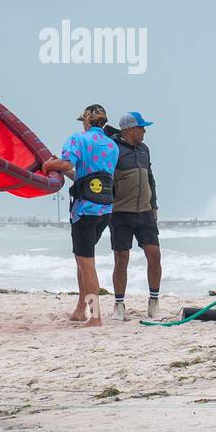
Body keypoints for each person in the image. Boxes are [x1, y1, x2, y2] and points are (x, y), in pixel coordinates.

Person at [42, 104, 119, 326]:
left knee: (86, 264)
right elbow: (89, 178)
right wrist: (65, 170)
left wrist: (49, 164)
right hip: (105, 210)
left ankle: (95, 316)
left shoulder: (78, 139)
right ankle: (80, 310)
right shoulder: (112, 146)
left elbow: (67, 162)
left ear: (86, 121)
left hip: (85, 211)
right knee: (81, 260)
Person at [109, 111, 162, 320]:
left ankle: (154, 302)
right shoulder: (113, 149)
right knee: (121, 258)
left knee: (154, 254)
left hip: (145, 212)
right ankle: (119, 305)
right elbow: (106, 178)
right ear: (130, 129)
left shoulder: (144, 150)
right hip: (121, 212)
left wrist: (154, 205)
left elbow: (150, 178)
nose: (144, 131)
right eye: (141, 127)